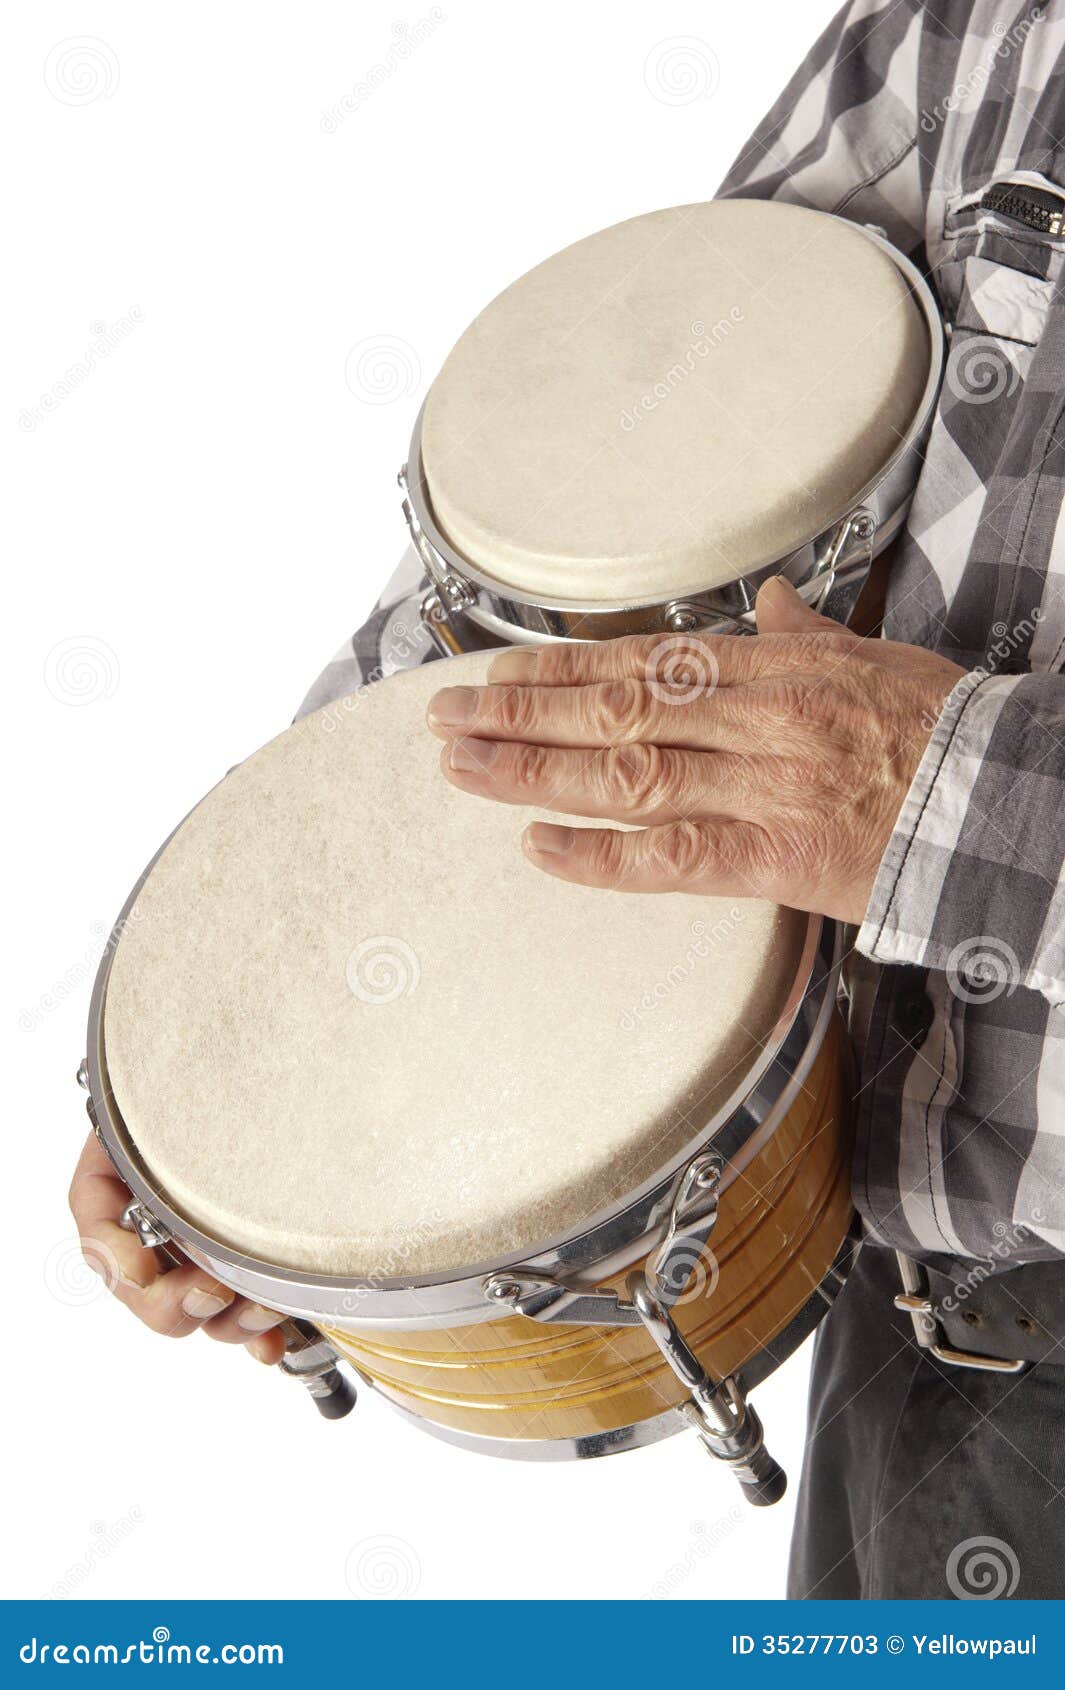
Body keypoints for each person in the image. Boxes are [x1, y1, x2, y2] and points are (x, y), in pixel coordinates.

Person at [71, 0, 1065, 1598]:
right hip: (922, 1358)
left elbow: (917, 781)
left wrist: (963, 797)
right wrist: (261, 1027)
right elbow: (633, 449)